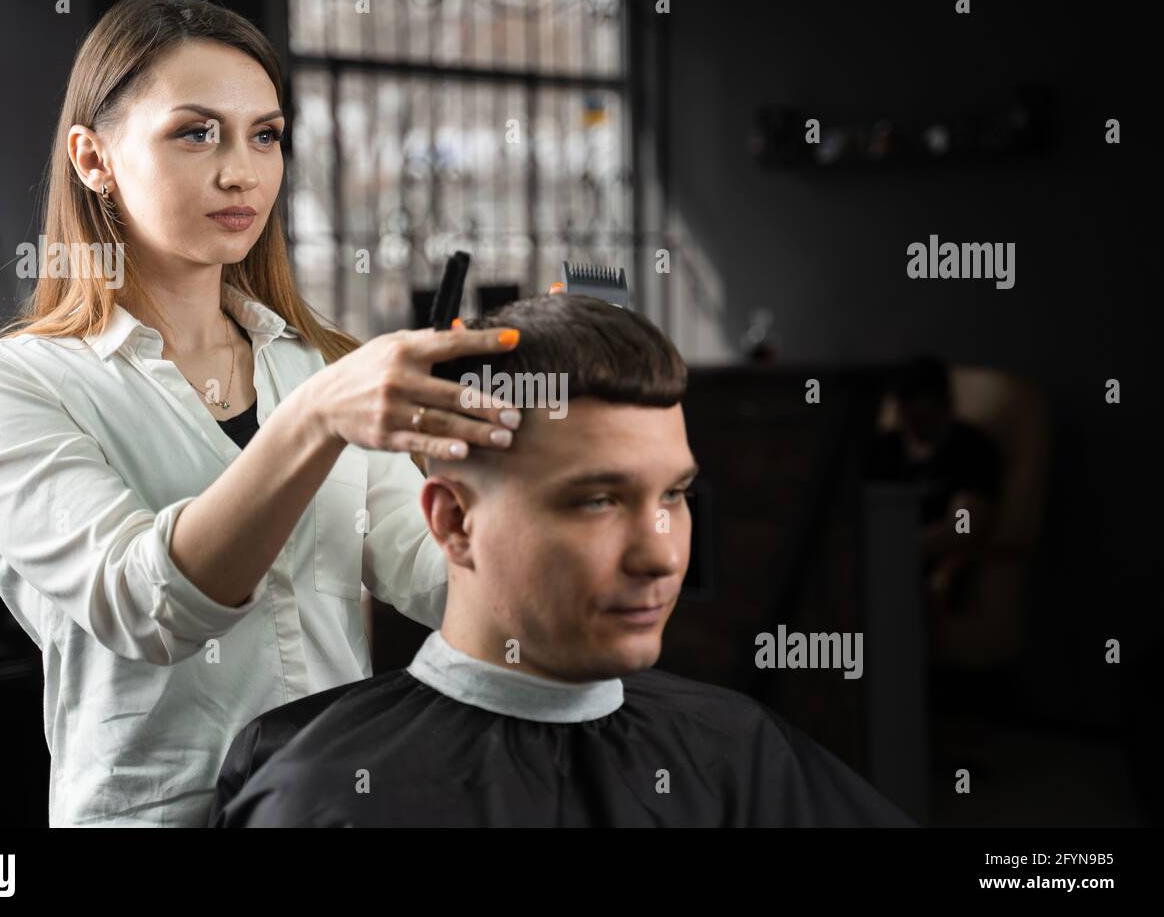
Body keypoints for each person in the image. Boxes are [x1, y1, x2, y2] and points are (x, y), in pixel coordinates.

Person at [0, 0, 525, 827]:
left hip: (329, 806)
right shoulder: (7, 385)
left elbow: (436, 580)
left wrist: (526, 484)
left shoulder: (317, 365)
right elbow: (148, 607)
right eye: (195, 131)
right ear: (93, 158)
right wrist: (316, 421)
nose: (241, 170)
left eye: (267, 135)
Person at [211, 295, 916, 827]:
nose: (660, 553)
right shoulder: (326, 797)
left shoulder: (742, 749)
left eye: (675, 493)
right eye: (598, 501)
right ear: (455, 521)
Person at [865, 355, 1004, 618]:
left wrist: (899, 549)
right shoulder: (883, 449)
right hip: (874, 561)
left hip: (930, 565)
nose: (908, 422)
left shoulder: (972, 450)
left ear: (946, 405)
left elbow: (965, 528)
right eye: (902, 409)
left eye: (919, 413)